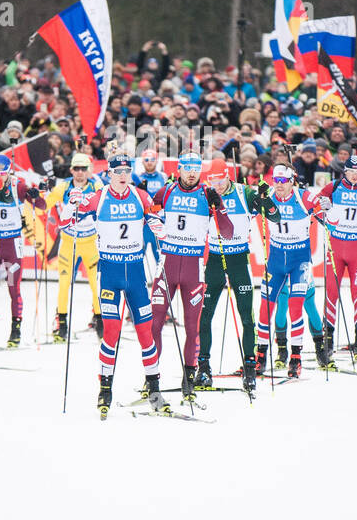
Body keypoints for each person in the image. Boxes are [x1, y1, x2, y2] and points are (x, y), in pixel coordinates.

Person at [65, 154, 165, 417]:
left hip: (134, 272)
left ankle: (154, 388)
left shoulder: (141, 196)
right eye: (117, 170)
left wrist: (157, 224)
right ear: (109, 173)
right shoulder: (99, 198)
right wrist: (71, 202)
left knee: (146, 332)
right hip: (109, 272)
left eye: (126, 170)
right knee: (111, 331)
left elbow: (158, 217)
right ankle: (105, 389)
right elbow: (70, 218)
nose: (123, 175)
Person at [147, 152, 233, 398]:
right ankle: (152, 378)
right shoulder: (166, 192)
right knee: (154, 324)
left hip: (194, 270)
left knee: (192, 328)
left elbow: (227, 233)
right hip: (167, 266)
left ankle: (189, 378)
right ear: (180, 169)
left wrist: (220, 207)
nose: (192, 173)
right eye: (187, 168)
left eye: (196, 168)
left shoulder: (207, 195)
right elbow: (149, 215)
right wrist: (152, 220)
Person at [199, 161, 279, 393]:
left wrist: (265, 198)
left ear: (228, 177)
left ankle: (250, 367)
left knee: (246, 317)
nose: (217, 186)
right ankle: (203, 366)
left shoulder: (245, 192)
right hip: (214, 258)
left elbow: (275, 217)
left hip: (238, 260)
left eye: (220, 180)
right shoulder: (206, 194)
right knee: (205, 315)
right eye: (212, 181)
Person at [315, 153, 357, 364]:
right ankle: (327, 342)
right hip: (336, 248)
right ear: (344, 171)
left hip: (356, 249)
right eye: (351, 172)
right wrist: (324, 213)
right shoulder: (333, 187)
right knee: (331, 294)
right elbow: (314, 206)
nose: (354, 176)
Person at [254, 164, 321, 378]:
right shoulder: (269, 196)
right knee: (265, 307)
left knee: (295, 307)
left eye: (283, 180)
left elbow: (327, 216)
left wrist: (326, 210)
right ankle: (261, 356)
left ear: (292, 180)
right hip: (275, 261)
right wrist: (257, 197)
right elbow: (247, 210)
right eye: (276, 180)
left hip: (299, 261)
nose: (279, 184)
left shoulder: (304, 197)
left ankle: (296, 357)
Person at [0, 153, 44, 347]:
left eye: (3, 172)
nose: (0, 176)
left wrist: (35, 196)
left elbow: (42, 205)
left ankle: (16, 331)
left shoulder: (18, 185)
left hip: (12, 246)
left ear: (8, 172)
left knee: (13, 287)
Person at [44, 152, 104, 341]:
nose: (79, 172)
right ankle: (61, 324)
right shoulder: (63, 187)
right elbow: (43, 205)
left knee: (96, 285)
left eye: (83, 169)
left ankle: (100, 321)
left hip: (90, 242)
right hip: (69, 243)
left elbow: (107, 205)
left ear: (89, 170)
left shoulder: (97, 186)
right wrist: (39, 194)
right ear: (71, 170)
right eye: (76, 168)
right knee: (64, 284)